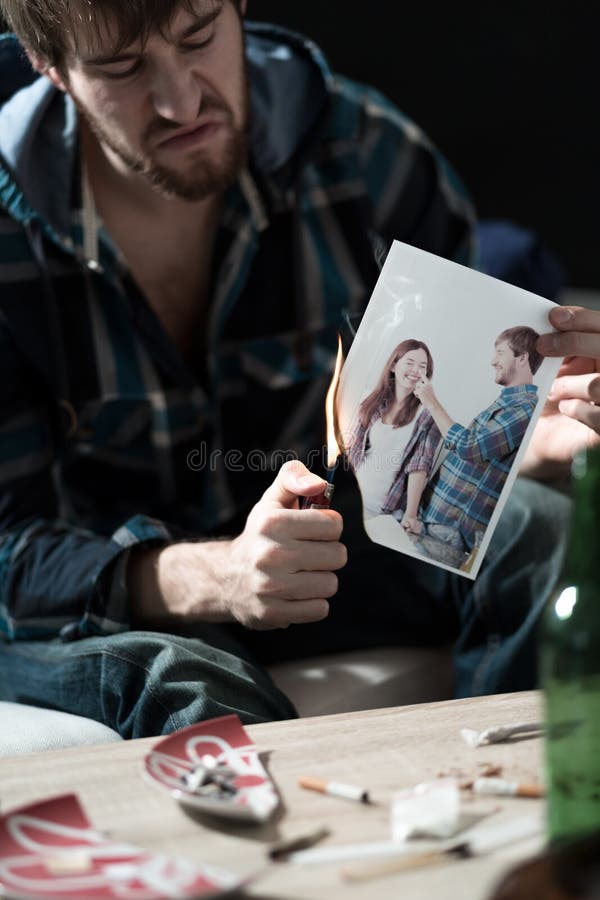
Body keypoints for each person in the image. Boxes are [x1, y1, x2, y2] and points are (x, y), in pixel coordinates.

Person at [0, 0, 596, 731]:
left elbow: (443, 442)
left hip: (329, 553)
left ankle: (497, 816)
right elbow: (9, 554)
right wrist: (219, 576)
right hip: (95, 604)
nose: (180, 100)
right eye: (121, 68)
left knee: (541, 526)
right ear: (47, 65)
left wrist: (532, 437)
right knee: (188, 678)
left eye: (198, 37)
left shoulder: (365, 156)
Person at [413, 326, 542, 555]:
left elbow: (469, 447)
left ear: (522, 358)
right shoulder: (510, 403)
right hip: (437, 525)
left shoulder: (524, 408)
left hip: (448, 533)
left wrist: (431, 402)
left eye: (500, 353)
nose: (493, 361)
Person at [346, 340, 441, 524]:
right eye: (410, 362)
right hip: (354, 493)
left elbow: (420, 466)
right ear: (394, 365)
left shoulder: (428, 414)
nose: (416, 370)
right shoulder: (371, 401)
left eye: (422, 366)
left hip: (385, 508)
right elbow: (353, 450)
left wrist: (411, 515)